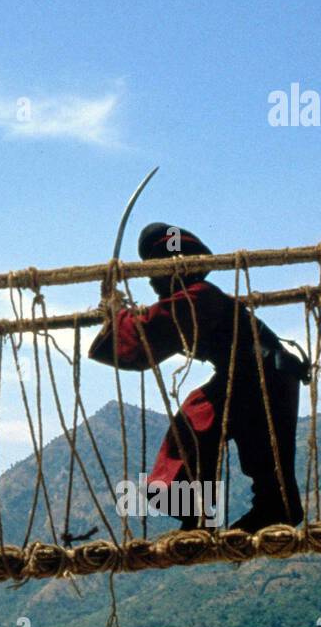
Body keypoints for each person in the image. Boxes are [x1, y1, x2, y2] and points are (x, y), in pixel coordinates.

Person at [88, 222, 307, 532]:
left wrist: (117, 315)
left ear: (175, 267)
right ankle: (211, 515)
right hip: (258, 375)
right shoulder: (193, 298)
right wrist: (124, 314)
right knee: (205, 428)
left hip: (262, 375)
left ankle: (242, 513)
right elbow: (156, 322)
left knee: (213, 433)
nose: (151, 281)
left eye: (155, 271)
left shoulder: (197, 297)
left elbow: (145, 339)